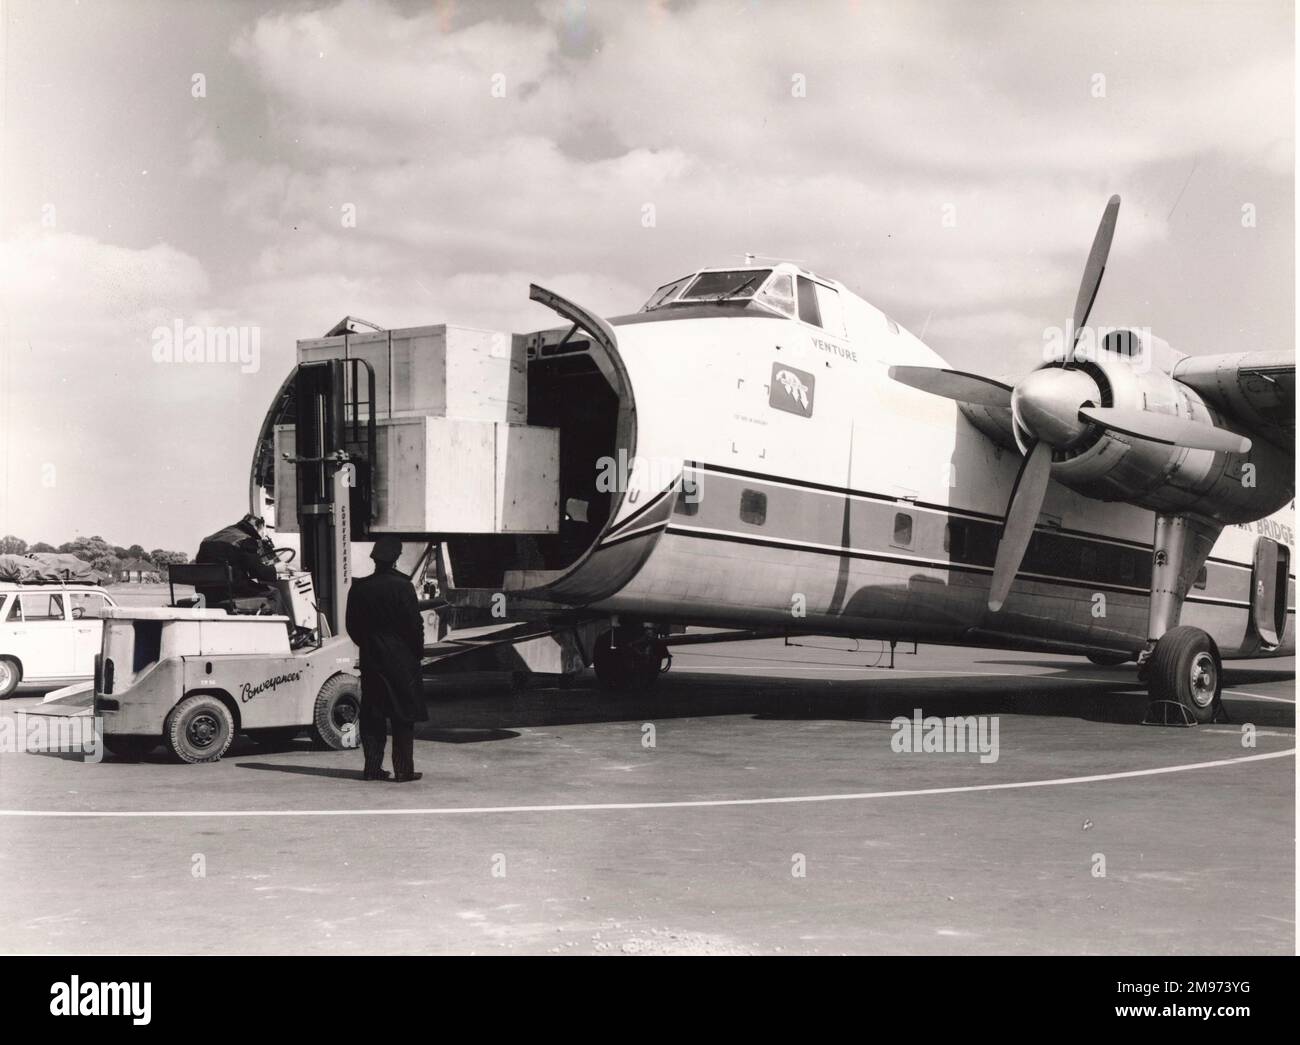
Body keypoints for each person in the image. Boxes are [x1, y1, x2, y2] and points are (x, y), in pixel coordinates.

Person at [344, 536, 427, 782]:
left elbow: (351, 626)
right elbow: (415, 625)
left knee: (373, 714)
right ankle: (403, 770)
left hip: (372, 658)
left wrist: (369, 645)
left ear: (374, 558)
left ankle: (372, 768)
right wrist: (416, 652)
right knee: (403, 716)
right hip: (401, 660)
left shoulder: (359, 587)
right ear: (396, 558)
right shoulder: (403, 587)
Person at [195, 514, 280, 610]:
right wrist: (277, 569)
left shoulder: (209, 539)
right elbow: (258, 572)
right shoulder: (246, 539)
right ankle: (284, 624)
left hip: (206, 593)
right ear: (259, 526)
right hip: (231, 593)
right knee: (274, 593)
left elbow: (235, 563)